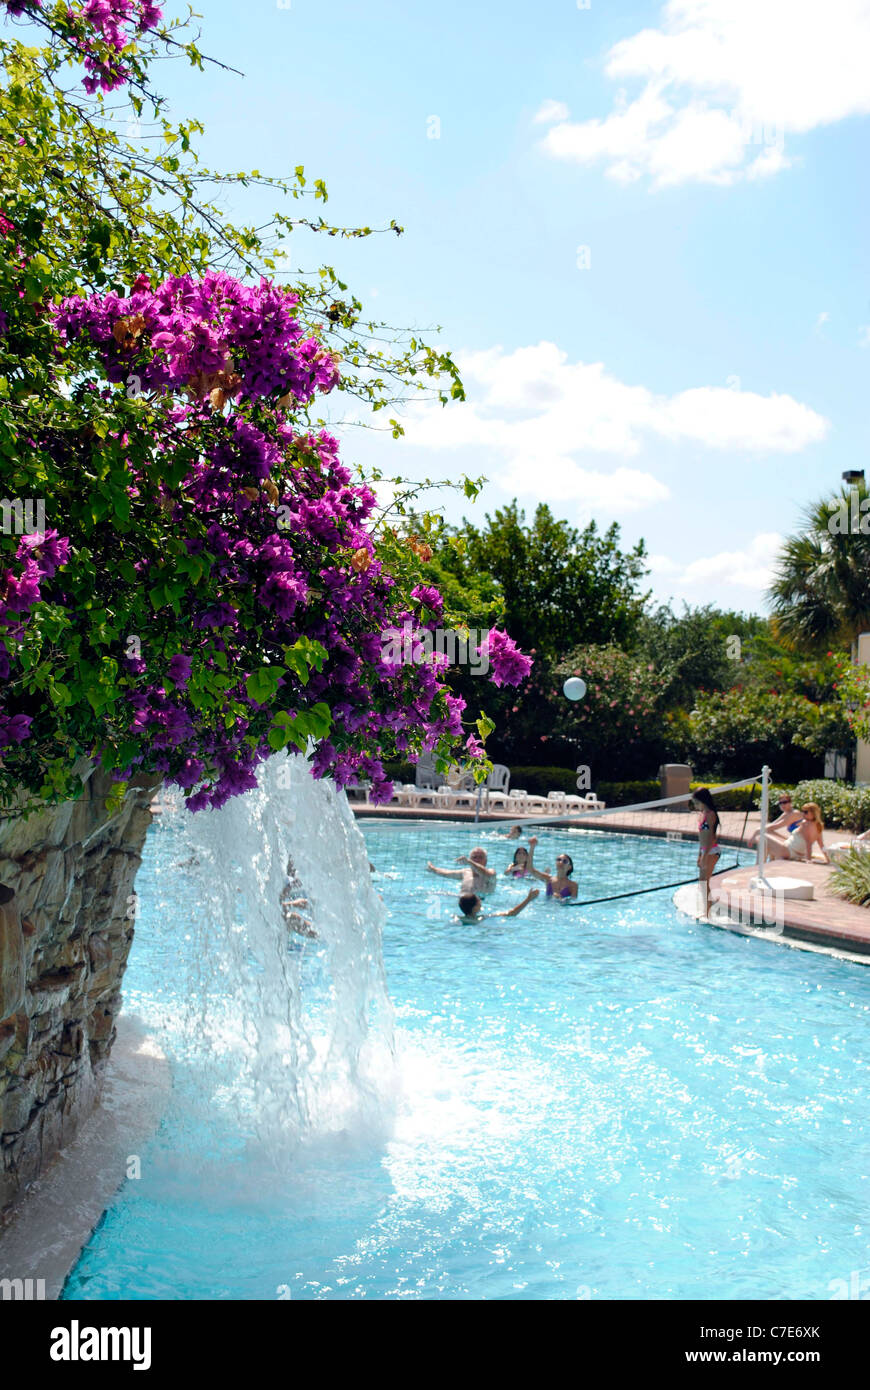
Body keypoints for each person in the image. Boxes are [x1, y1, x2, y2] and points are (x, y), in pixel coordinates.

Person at [764, 802, 830, 864]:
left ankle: (760, 865)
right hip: (798, 853)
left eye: (806, 812)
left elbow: (808, 843)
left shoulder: (806, 824)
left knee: (763, 837)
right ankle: (768, 863)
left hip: (789, 850)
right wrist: (827, 859)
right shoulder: (819, 826)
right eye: (803, 812)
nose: (803, 814)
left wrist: (808, 860)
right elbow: (821, 845)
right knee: (771, 849)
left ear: (813, 813)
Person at [690, 787, 720, 917]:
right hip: (705, 851)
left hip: (711, 850)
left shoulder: (710, 814)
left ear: (703, 800)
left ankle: (707, 912)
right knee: (702, 881)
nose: (695, 805)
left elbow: (710, 837)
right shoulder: (702, 814)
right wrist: (699, 855)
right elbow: (701, 837)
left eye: (696, 802)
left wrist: (705, 855)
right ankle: (709, 905)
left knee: (703, 881)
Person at [427, 846, 497, 896]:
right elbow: (446, 873)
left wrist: (470, 862)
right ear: (470, 859)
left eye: (480, 857)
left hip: (482, 902)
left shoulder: (491, 872)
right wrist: (433, 869)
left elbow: (487, 875)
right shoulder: (465, 872)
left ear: (486, 861)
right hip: (462, 900)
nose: (477, 860)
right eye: (474, 857)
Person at [456, 886, 540, 923]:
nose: (481, 903)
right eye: (479, 902)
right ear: (474, 908)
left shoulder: (458, 919)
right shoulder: (481, 918)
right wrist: (528, 899)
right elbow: (511, 913)